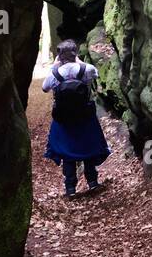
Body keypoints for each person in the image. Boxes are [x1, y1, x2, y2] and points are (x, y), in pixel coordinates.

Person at [40, 40, 110, 197]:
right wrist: (78, 62)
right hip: (85, 117)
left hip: (63, 120)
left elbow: (44, 88)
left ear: (59, 56)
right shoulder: (87, 69)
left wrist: (55, 67)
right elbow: (96, 74)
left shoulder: (55, 73)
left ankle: (70, 188)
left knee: (67, 152)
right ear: (75, 53)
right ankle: (92, 182)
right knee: (88, 147)